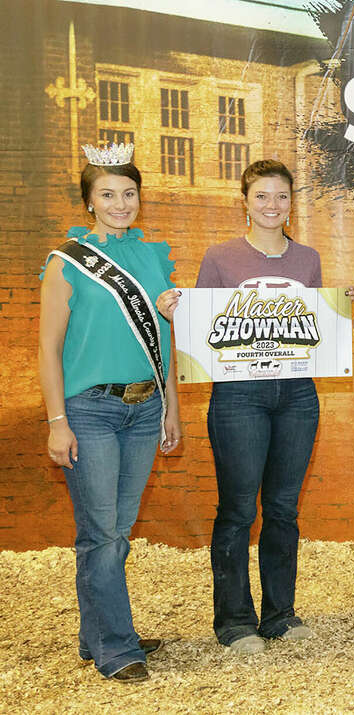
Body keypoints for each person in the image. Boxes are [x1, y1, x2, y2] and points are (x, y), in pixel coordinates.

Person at [162, 160, 324, 653]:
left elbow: (314, 331)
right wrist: (176, 312)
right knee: (237, 508)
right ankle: (233, 621)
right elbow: (202, 328)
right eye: (262, 196)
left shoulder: (309, 259)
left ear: (291, 202)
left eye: (281, 196)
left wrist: (337, 312)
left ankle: (280, 614)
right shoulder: (220, 256)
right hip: (237, 397)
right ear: (245, 201)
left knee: (282, 508)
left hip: (297, 394)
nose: (272, 206)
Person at [39, 143, 182, 682]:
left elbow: (164, 339)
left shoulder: (154, 256)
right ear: (89, 202)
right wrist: (58, 421)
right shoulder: (66, 262)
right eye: (107, 194)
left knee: (115, 531)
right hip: (89, 410)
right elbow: (48, 348)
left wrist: (171, 406)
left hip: (146, 407)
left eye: (129, 193)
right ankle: (117, 645)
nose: (120, 203)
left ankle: (96, 631)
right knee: (101, 532)